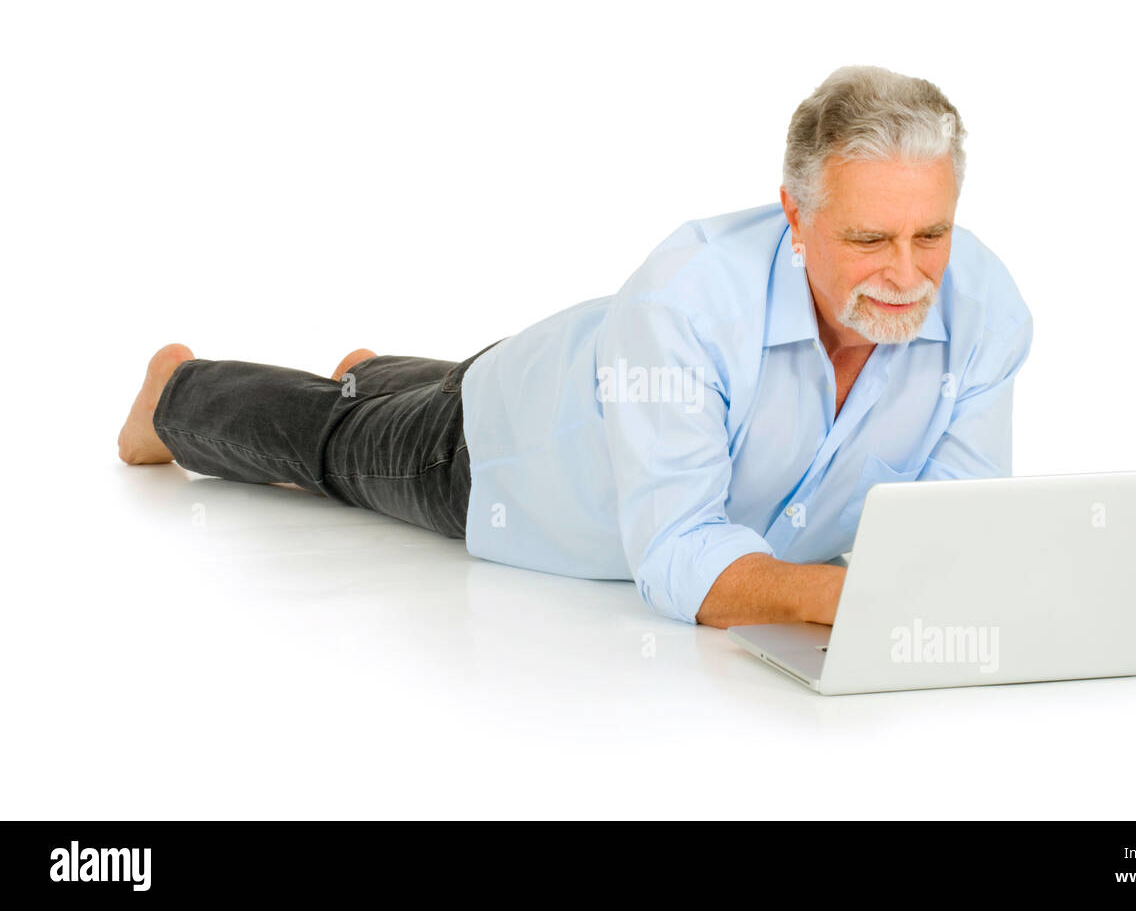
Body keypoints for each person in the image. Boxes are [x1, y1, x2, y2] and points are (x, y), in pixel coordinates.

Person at [118, 64, 1033, 629]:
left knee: (410, 392)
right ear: (795, 213)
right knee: (340, 446)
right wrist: (839, 601)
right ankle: (176, 395)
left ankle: (372, 374)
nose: (909, 274)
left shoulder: (985, 305)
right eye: (870, 241)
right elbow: (674, 553)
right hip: (511, 455)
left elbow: (952, 523)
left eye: (933, 235)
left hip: (589, 369)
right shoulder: (689, 299)